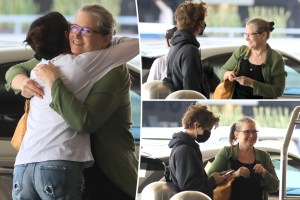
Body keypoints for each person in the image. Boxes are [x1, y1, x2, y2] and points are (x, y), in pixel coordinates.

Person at [6, 4, 139, 200]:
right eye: (74, 27)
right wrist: (23, 82)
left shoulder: (113, 69)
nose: (77, 35)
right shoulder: (62, 57)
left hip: (106, 175)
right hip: (67, 165)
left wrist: (54, 82)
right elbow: (14, 70)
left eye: (87, 30)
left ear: (106, 39)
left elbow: (85, 122)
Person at [207, 116, 279, 200]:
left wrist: (264, 172)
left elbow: (275, 187)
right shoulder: (226, 152)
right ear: (236, 134)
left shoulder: (264, 156)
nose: (251, 135)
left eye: (254, 131)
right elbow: (210, 179)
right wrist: (234, 174)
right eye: (247, 132)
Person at [168, 104, 227, 198]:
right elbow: (187, 186)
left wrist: (213, 178)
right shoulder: (185, 150)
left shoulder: (188, 147)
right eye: (207, 130)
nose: (208, 134)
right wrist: (213, 181)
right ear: (196, 125)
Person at [218, 18, 286, 99]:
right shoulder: (241, 51)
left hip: (260, 108)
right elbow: (222, 71)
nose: (246, 38)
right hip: (237, 105)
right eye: (245, 34)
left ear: (263, 35)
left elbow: (278, 91)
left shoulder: (276, 59)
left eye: (250, 35)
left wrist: (252, 83)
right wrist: (228, 74)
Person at [164, 1, 210, 99]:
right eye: (203, 21)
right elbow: (191, 93)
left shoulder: (175, 46)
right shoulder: (190, 51)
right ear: (199, 24)